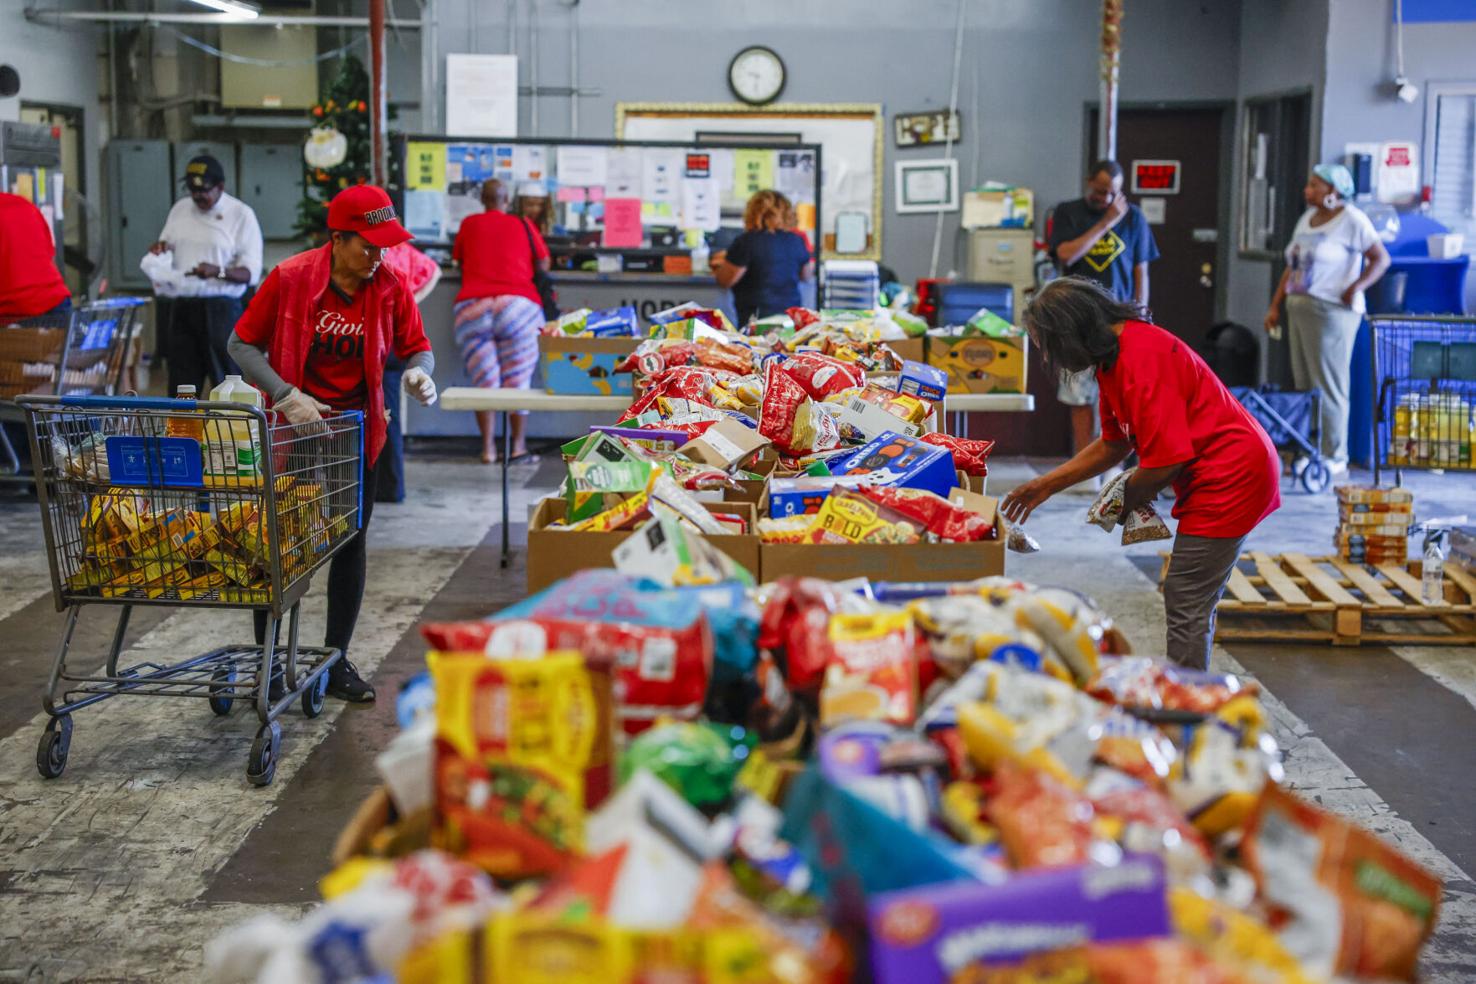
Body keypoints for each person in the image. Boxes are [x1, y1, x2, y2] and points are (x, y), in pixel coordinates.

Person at [1001, 277, 1280, 670]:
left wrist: (1123, 498)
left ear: (1071, 332)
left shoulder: (1140, 357)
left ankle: (1185, 704)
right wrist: (1045, 485)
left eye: (1050, 346)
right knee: (1188, 597)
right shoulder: (1110, 361)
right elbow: (1116, 442)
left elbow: (1167, 461)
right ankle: (1185, 692)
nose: (1052, 358)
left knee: (1186, 598)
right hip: (1211, 471)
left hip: (1233, 473)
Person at [228, 185, 438, 703]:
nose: (378, 255)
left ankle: (335, 661)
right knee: (277, 543)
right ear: (337, 239)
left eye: (384, 245)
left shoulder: (389, 285)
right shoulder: (292, 277)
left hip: (354, 432)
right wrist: (283, 393)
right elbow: (240, 343)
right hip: (294, 427)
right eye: (367, 245)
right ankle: (269, 662)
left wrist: (419, 375)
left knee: (350, 541)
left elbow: (419, 348)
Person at [1264, 164, 1390, 476]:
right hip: (1299, 306)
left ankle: (1335, 453)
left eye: (1314, 185)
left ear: (1333, 191)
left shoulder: (1352, 220)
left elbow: (1381, 258)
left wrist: (1355, 287)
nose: (1307, 190)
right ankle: (1310, 449)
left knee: (1329, 384)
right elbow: (1292, 266)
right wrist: (1276, 305)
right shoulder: (1307, 219)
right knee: (1306, 384)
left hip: (1332, 311)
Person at [1048, 160, 1160, 455]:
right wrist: (1106, 222)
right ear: (1089, 182)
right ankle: (1085, 463)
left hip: (1121, 319)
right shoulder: (1068, 212)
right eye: (1100, 191)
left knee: (1123, 395)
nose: (1106, 198)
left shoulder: (1134, 217)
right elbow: (1067, 255)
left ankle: (1118, 465)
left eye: (1112, 193)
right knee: (1079, 394)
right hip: (1076, 317)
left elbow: (1141, 270)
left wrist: (1142, 313)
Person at [146, 155, 263, 396]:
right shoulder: (180, 209)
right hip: (183, 306)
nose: (198, 196)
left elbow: (251, 273)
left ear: (220, 187)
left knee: (227, 383)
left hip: (221, 309)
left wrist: (217, 271)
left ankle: (232, 431)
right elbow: (167, 243)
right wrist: (161, 249)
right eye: (192, 189)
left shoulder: (241, 215)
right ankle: (181, 432)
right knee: (181, 383)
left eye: (204, 190)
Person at [451, 178, 549, 463]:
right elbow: (543, 262)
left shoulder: (469, 224)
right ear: (508, 201)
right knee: (517, 382)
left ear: (483, 198)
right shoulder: (523, 224)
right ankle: (517, 447)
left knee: (485, 383)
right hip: (517, 307)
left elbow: (458, 261)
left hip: (473, 309)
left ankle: (488, 449)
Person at [711, 189, 814, 326]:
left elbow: (725, 280)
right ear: (787, 214)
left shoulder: (746, 241)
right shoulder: (796, 241)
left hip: (757, 322)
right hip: (791, 320)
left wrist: (719, 265)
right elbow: (806, 275)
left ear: (752, 213)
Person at [0, 191, 70, 322]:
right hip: (56, 301)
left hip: (17, 312)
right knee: (61, 343)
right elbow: (49, 253)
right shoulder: (23, 204)